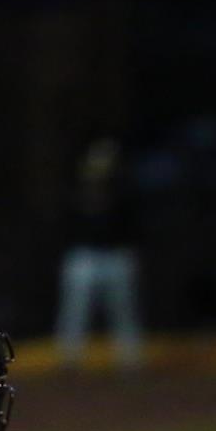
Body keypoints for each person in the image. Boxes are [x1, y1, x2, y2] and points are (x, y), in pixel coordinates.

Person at [55, 137, 143, 371]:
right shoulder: (77, 191)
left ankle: (130, 359)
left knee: (123, 311)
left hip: (117, 255)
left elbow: (132, 225)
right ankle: (70, 358)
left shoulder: (123, 191)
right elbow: (67, 224)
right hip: (83, 255)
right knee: (75, 310)